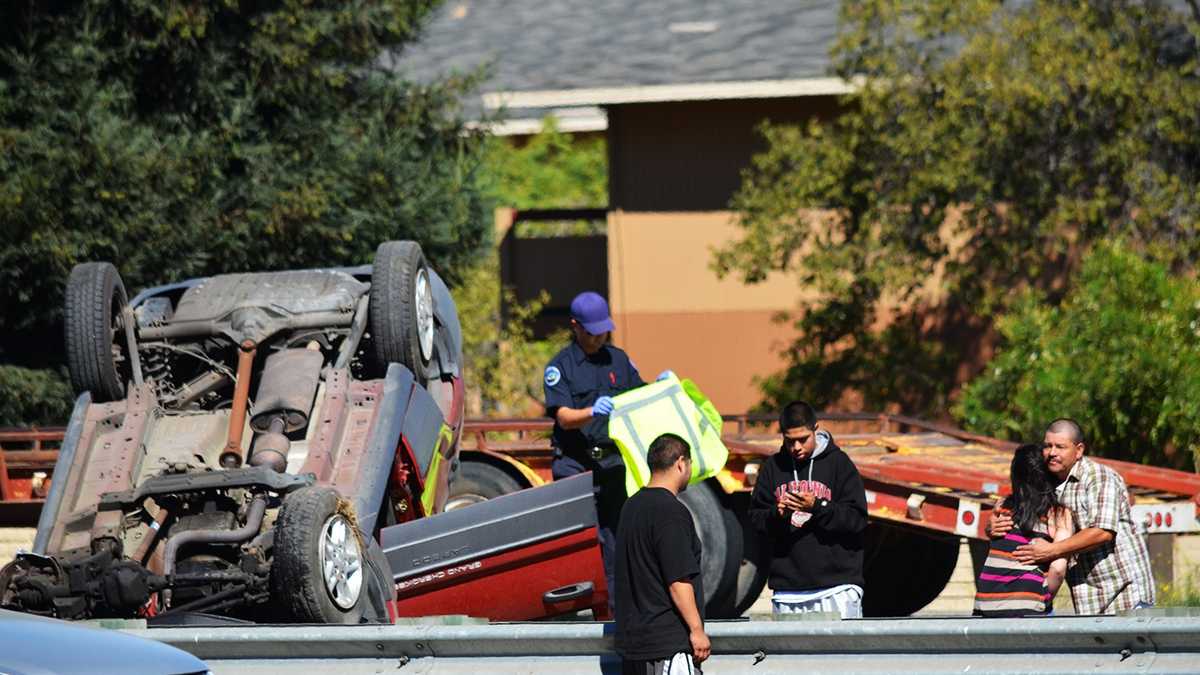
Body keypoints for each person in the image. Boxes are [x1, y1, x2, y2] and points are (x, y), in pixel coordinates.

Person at [543, 291, 654, 603]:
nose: (598, 338)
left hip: (612, 465)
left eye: (603, 331)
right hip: (575, 467)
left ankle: (617, 613)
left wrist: (661, 385)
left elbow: (640, 396)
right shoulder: (560, 367)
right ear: (575, 326)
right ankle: (581, 610)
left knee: (618, 541)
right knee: (584, 543)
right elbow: (564, 418)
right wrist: (592, 411)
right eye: (592, 332)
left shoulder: (617, 359)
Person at [992, 418, 1155, 614]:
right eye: (1048, 446)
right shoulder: (1049, 479)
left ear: (1078, 450)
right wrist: (993, 524)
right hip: (1088, 597)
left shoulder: (1099, 478)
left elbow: (1102, 532)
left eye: (1060, 447)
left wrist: (1052, 550)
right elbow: (1021, 503)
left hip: (1125, 594)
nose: (1052, 453)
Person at [747, 401, 868, 618]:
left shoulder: (839, 463)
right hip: (788, 590)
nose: (797, 447)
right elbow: (756, 519)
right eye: (789, 441)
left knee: (842, 653)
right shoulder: (774, 467)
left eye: (803, 439)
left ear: (816, 429)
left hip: (837, 586)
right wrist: (778, 514)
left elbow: (856, 519)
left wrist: (818, 506)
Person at [614, 433, 710, 674]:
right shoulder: (671, 511)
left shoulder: (630, 506)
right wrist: (697, 629)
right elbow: (678, 579)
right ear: (681, 463)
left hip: (633, 645)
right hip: (667, 645)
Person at [974, 443, 1074, 616]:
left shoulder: (1002, 505)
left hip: (985, 603)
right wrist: (1043, 596)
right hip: (1027, 603)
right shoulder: (1058, 514)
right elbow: (1058, 569)